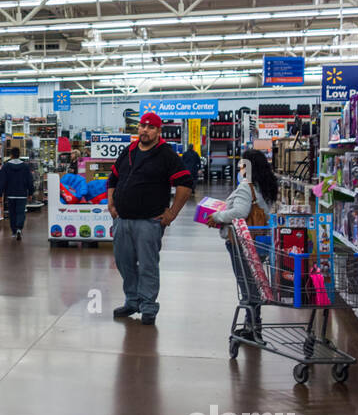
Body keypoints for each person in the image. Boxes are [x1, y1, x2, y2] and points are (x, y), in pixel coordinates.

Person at [107, 112, 195, 326]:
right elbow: (113, 178)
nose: (144, 130)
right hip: (123, 219)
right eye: (142, 126)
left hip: (149, 221)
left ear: (158, 131)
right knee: (123, 262)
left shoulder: (166, 154)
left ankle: (148, 306)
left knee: (147, 265)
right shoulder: (128, 151)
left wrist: (172, 213)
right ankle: (132, 300)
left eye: (150, 127)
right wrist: (111, 204)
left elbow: (185, 183)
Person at [206, 149, 277, 339]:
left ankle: (253, 326)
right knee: (252, 282)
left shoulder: (247, 186)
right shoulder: (266, 185)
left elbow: (240, 212)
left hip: (242, 242)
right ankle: (252, 324)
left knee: (247, 285)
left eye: (242, 164)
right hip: (259, 240)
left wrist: (217, 216)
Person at [0, 146, 35, 239]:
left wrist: (0, 194)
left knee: (12, 213)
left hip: (10, 194)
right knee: (20, 212)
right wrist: (31, 193)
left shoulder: (6, 166)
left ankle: (14, 231)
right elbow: (30, 181)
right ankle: (19, 228)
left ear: (11, 155)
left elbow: (2, 181)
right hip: (22, 194)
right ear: (19, 155)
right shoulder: (25, 166)